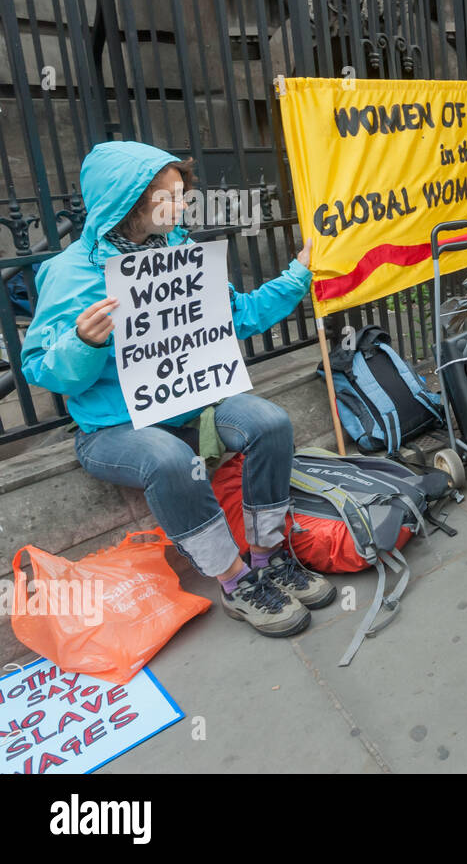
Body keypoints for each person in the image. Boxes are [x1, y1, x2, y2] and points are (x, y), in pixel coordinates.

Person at [21, 141, 334, 637]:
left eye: (182, 195)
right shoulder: (71, 271)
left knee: (269, 422)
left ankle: (269, 556)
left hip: (189, 406)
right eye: (171, 198)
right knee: (168, 459)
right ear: (130, 205)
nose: (185, 205)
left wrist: (297, 275)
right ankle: (235, 582)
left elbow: (239, 317)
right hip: (112, 427)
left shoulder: (181, 252)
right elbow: (40, 366)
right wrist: (83, 342)